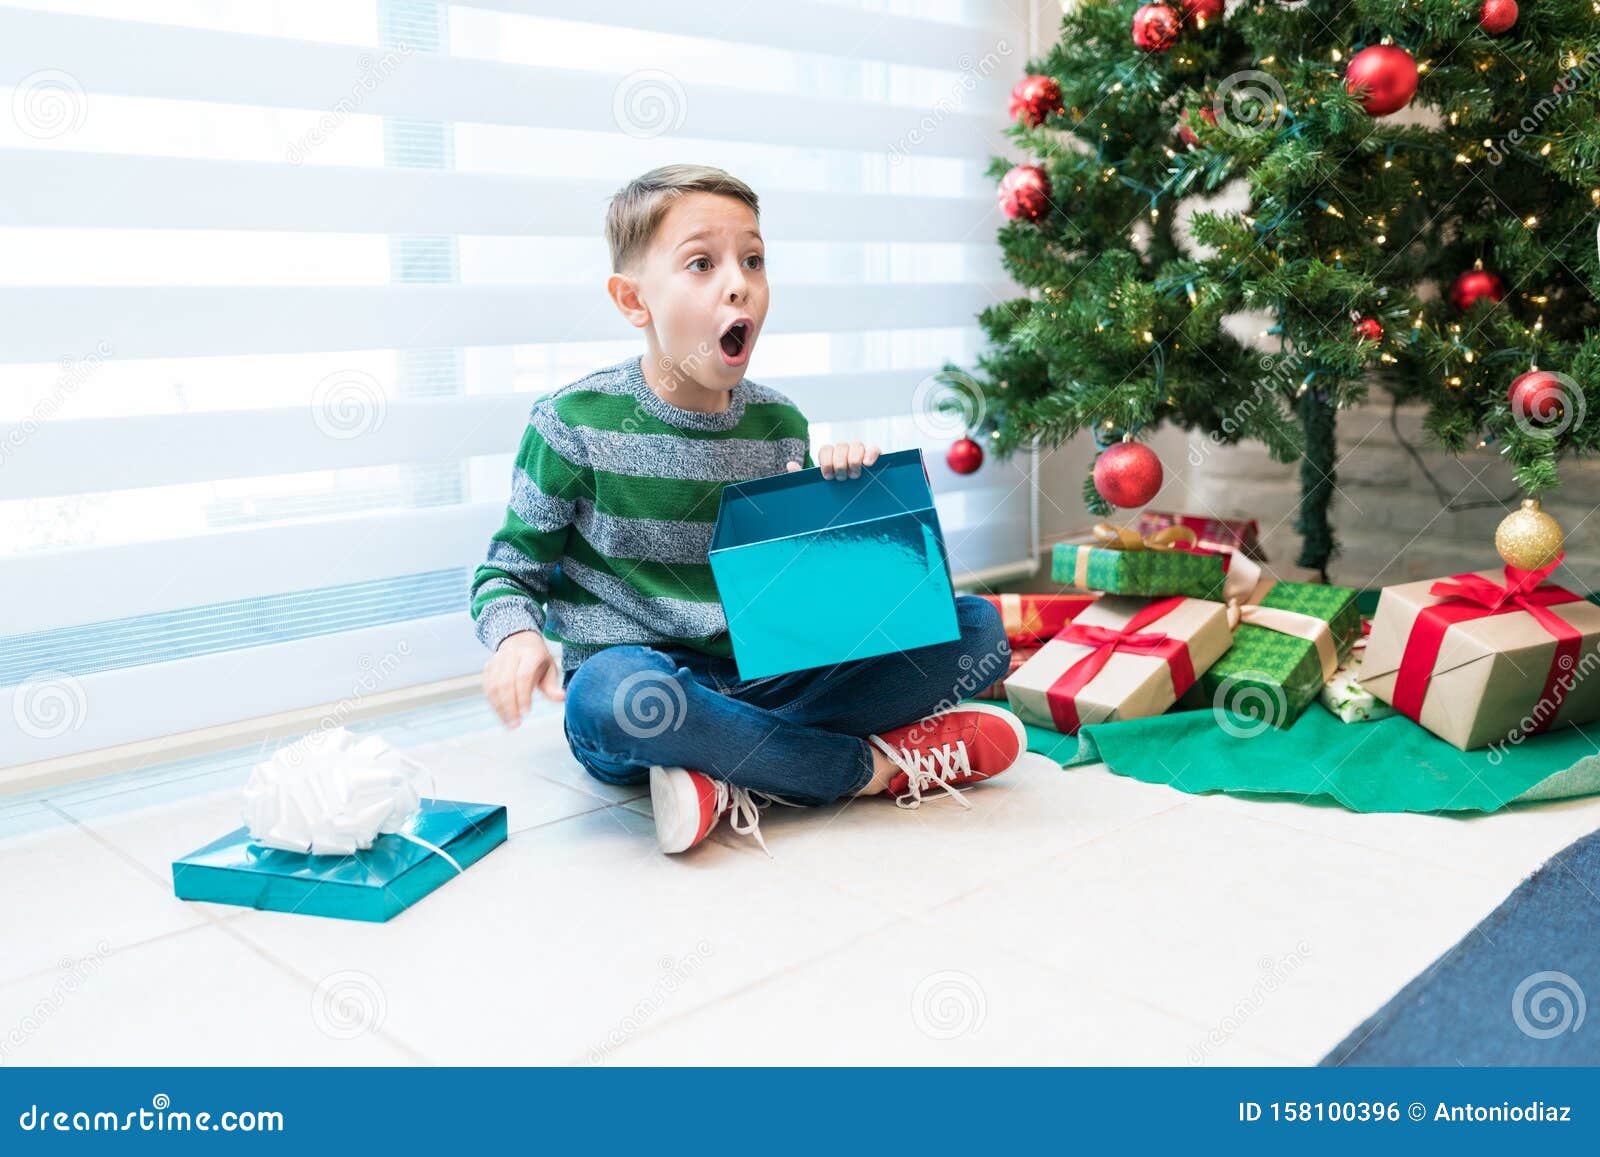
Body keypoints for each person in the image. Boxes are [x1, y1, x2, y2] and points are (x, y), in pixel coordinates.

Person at [471, 165, 1025, 855]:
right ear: (633, 300)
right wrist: (517, 639)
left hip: (758, 674)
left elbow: (800, 598)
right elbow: (506, 572)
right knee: (606, 698)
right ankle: (866, 768)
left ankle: (729, 769)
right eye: (701, 263)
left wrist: (841, 496)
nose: (739, 282)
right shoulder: (571, 423)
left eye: (753, 260)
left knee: (976, 630)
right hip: (646, 686)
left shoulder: (780, 423)